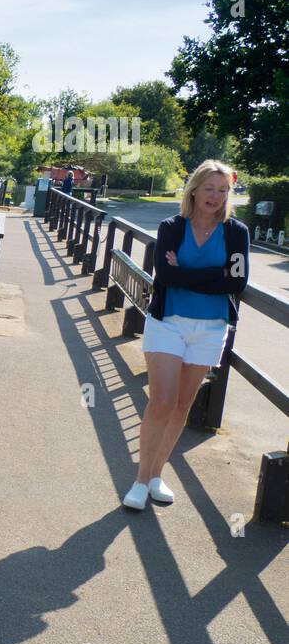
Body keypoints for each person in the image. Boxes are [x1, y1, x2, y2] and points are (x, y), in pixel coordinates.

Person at [125, 160, 249, 510]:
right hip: (169, 322)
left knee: (182, 405)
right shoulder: (172, 227)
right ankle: (139, 479)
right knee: (161, 400)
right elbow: (165, 276)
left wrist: (188, 274)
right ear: (193, 189)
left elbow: (236, 282)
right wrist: (213, 275)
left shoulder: (237, 232)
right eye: (209, 188)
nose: (215, 196)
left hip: (211, 328)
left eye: (223, 190)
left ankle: (156, 476)